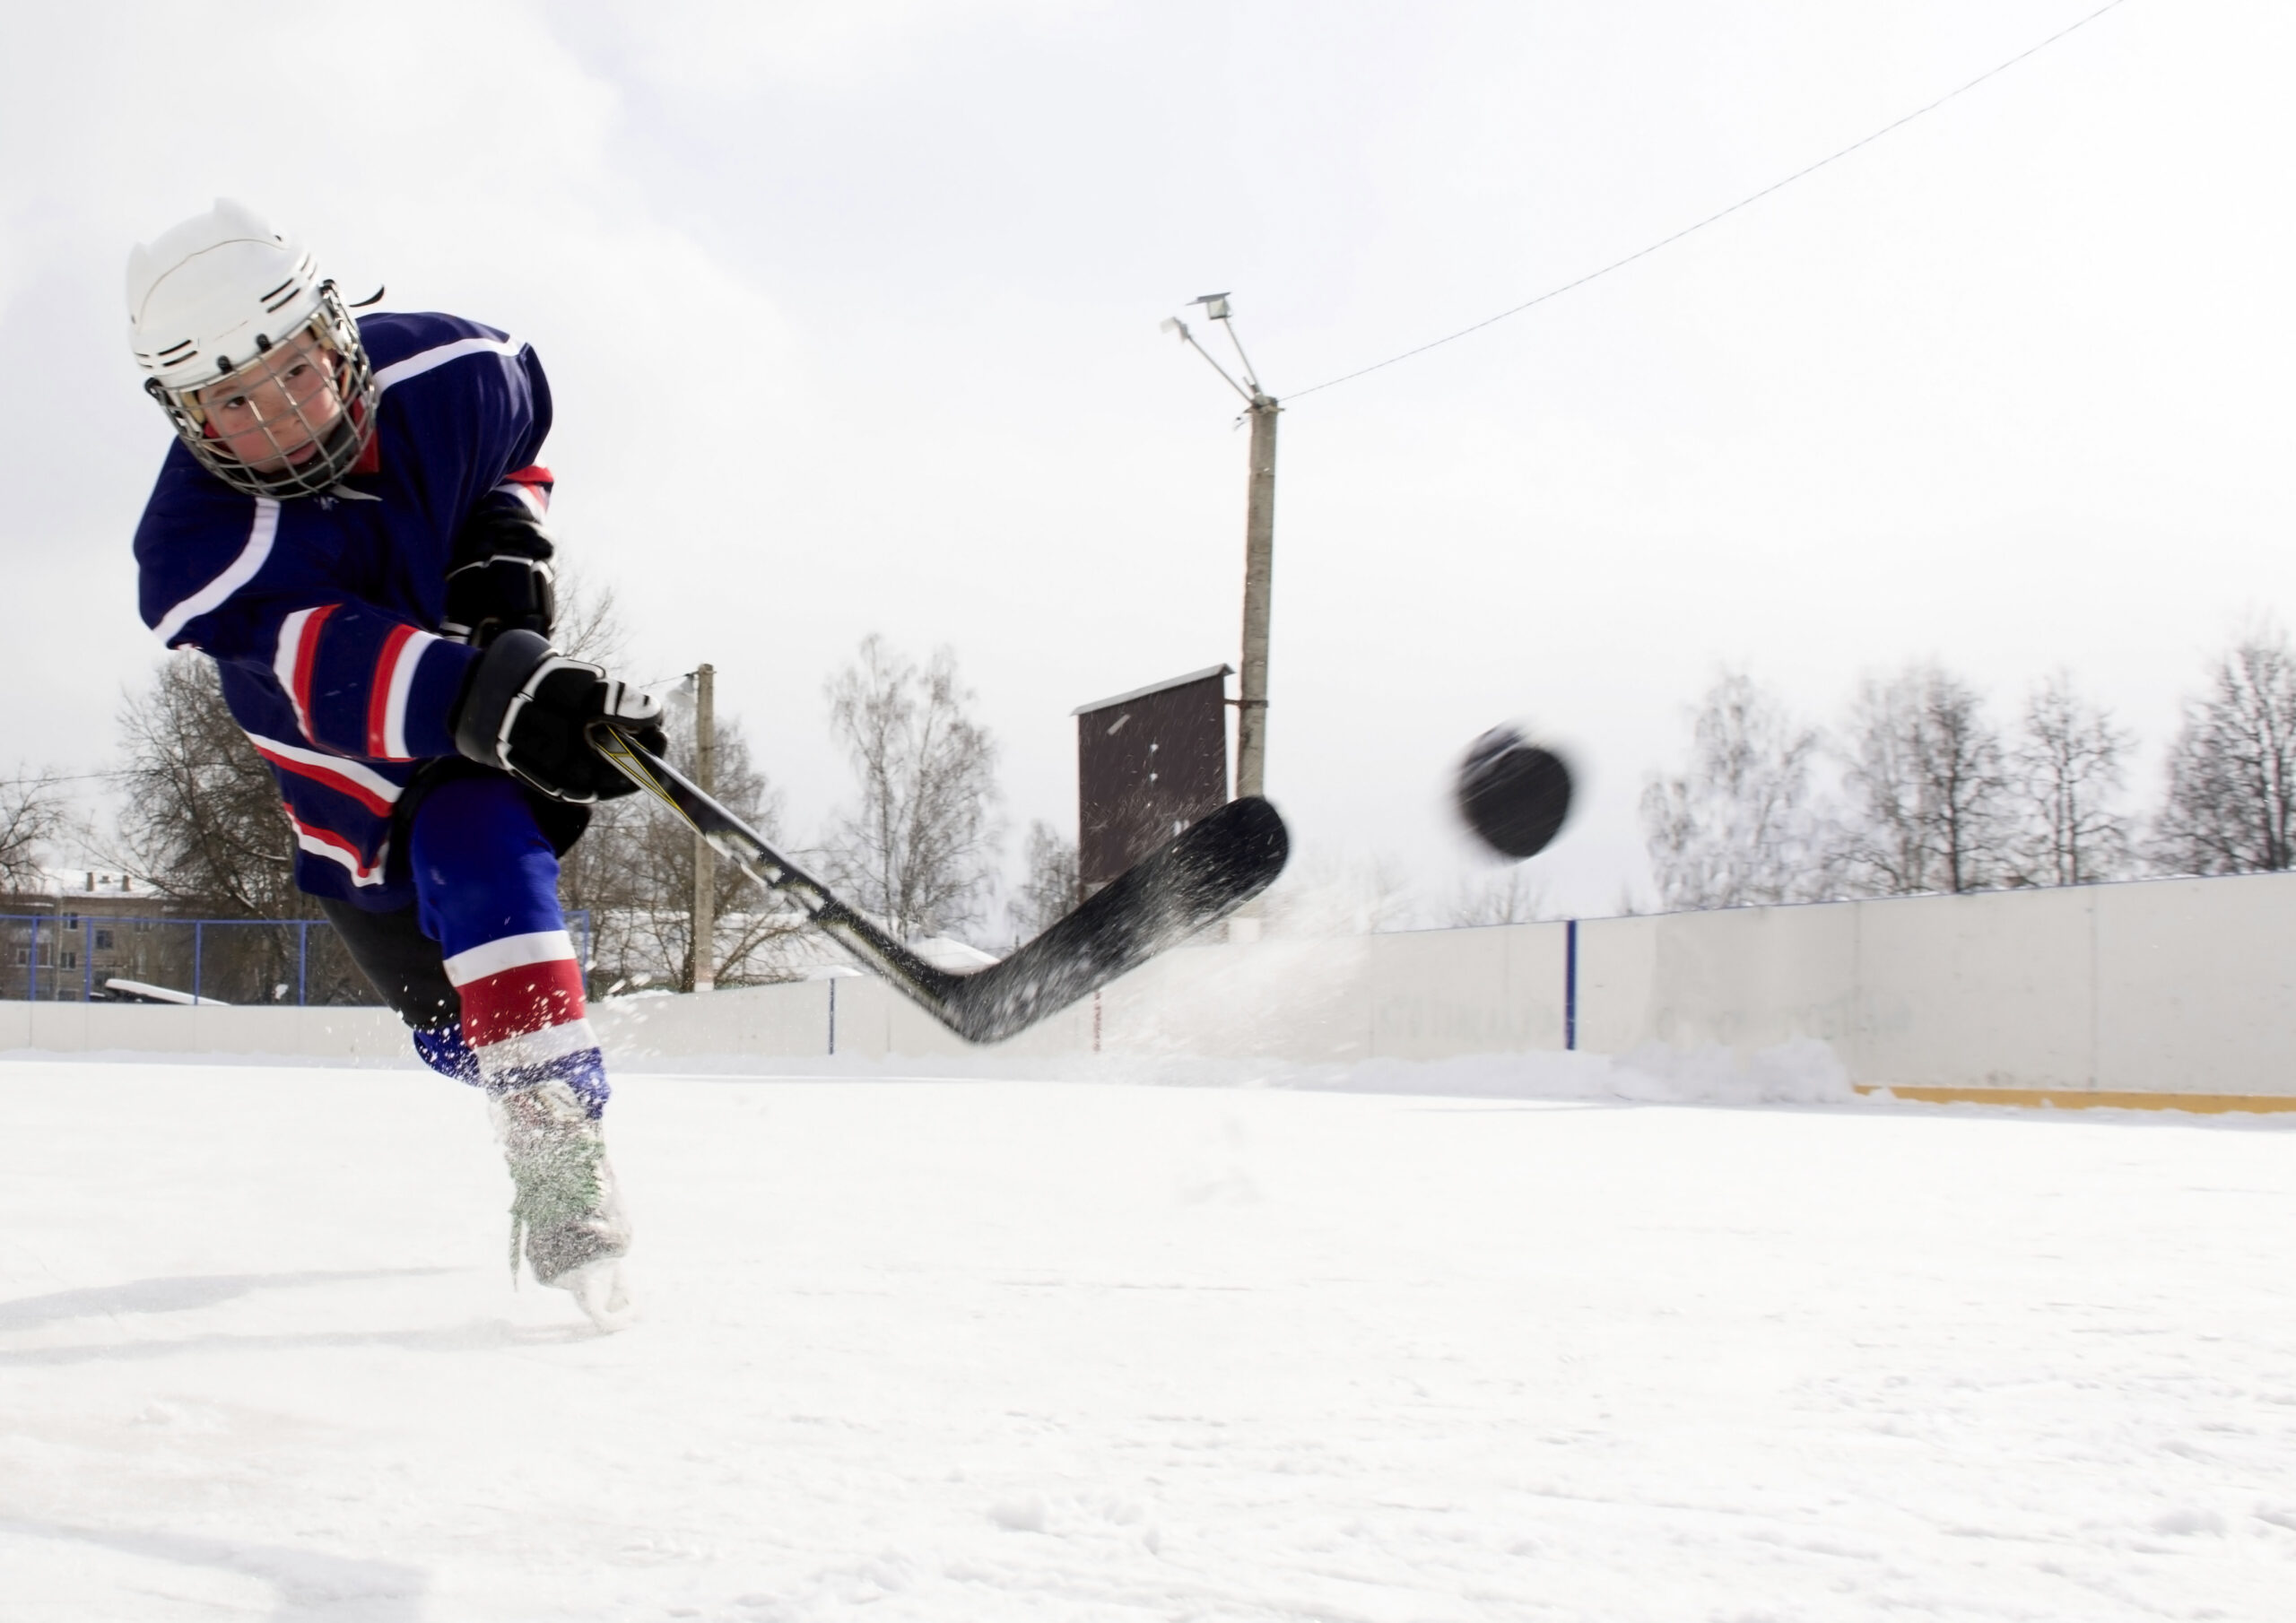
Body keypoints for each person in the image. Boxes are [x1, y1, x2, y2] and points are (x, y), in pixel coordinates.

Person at [125, 199, 665, 1329]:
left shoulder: (459, 368)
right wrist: (500, 692)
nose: (275, 418)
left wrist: (504, 551)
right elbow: (331, 666)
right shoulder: (201, 543)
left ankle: (561, 1164)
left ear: (337, 334)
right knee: (454, 1040)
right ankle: (523, 1066)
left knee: (485, 844)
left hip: (471, 767)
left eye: (293, 373)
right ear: (184, 413)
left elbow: (513, 454)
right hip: (349, 804)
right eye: (231, 398)